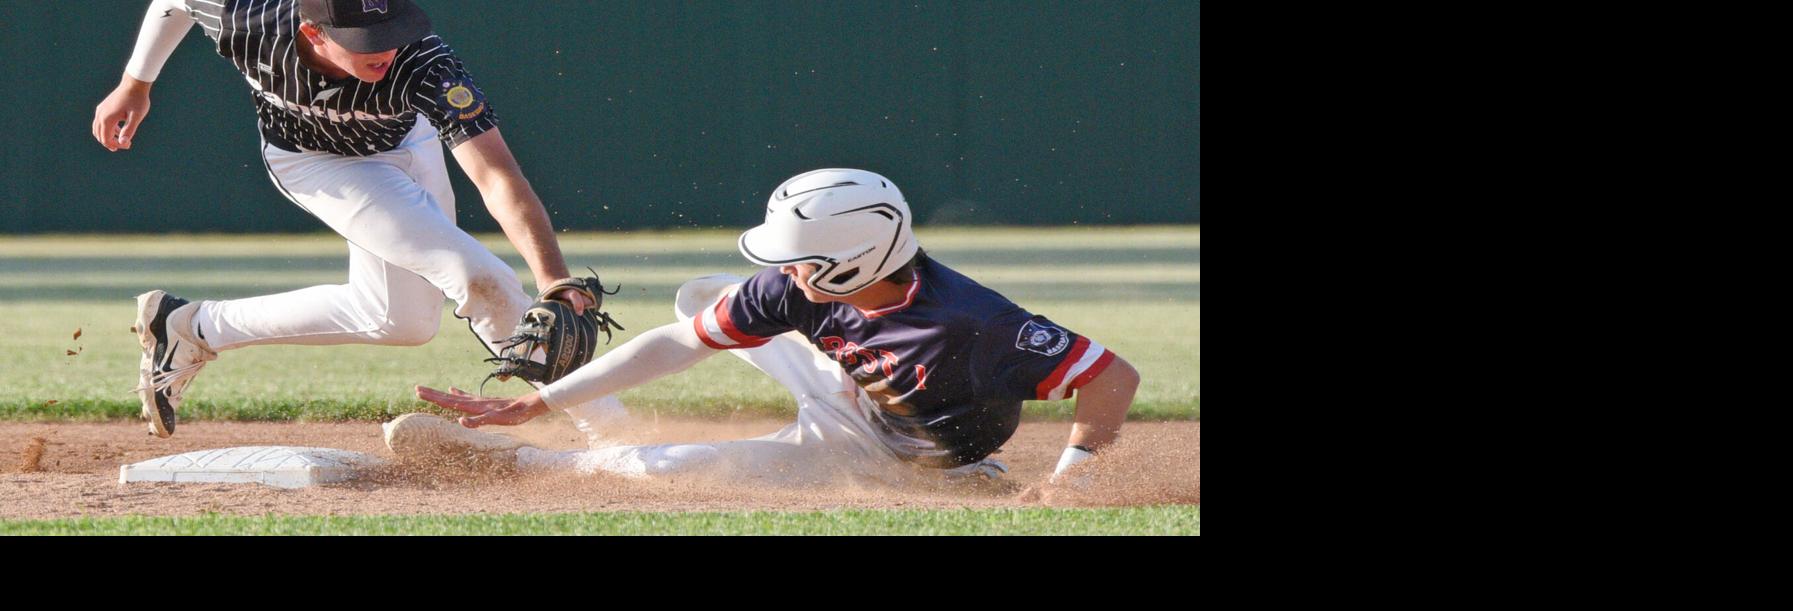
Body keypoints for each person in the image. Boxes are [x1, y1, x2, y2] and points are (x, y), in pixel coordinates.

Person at [388, 168, 1141, 492]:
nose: (786, 272)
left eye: (802, 260)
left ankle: (509, 464)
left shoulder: (973, 325)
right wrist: (541, 402)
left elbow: (1111, 374)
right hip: (851, 386)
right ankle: (534, 432)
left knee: (656, 468)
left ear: (854, 260)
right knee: (702, 301)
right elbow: (679, 344)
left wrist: (1071, 485)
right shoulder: (803, 287)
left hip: (884, 449)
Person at [92, 0, 622, 438]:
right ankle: (612, 434)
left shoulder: (423, 63)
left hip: (406, 146)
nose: (385, 48)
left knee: (404, 321)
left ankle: (191, 326)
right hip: (314, 162)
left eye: (391, 28)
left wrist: (553, 279)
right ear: (313, 33)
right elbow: (173, 2)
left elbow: (496, 176)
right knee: (478, 278)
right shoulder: (246, 17)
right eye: (366, 38)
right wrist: (136, 84)